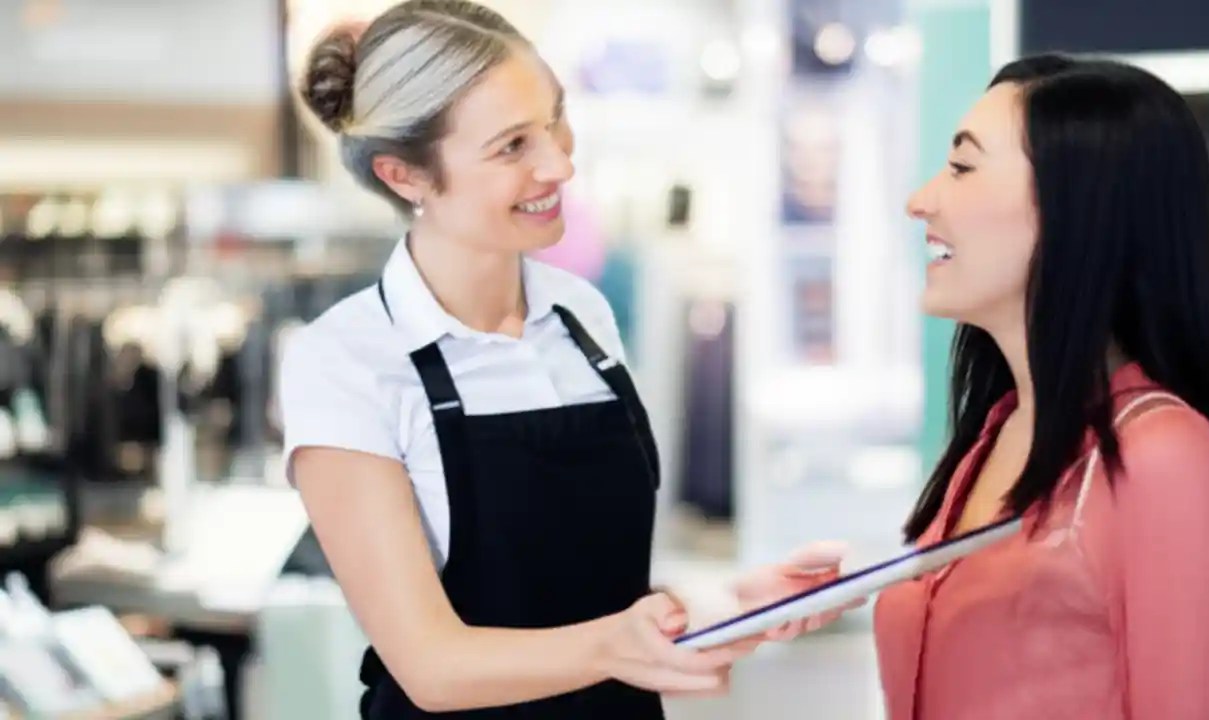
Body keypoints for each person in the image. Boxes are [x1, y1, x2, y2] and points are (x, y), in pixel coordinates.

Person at [281, 2, 847, 718]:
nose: (560, 162)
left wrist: (731, 606)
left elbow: (597, 596)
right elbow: (432, 665)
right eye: (513, 146)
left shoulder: (582, 316)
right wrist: (621, 645)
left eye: (554, 119)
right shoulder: (347, 361)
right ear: (406, 176)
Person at [865, 54, 1209, 719]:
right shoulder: (995, 432)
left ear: (1076, 205)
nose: (922, 199)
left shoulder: (1162, 458)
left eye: (963, 167)